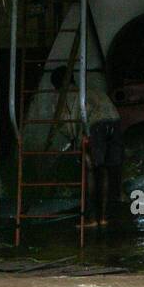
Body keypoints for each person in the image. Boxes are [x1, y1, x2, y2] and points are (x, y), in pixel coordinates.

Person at [51, 66, 123, 228]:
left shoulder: (62, 96)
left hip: (94, 126)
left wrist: (77, 142)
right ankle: (103, 217)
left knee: (89, 169)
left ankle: (91, 218)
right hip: (114, 121)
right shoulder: (90, 90)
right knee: (104, 169)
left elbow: (65, 124)